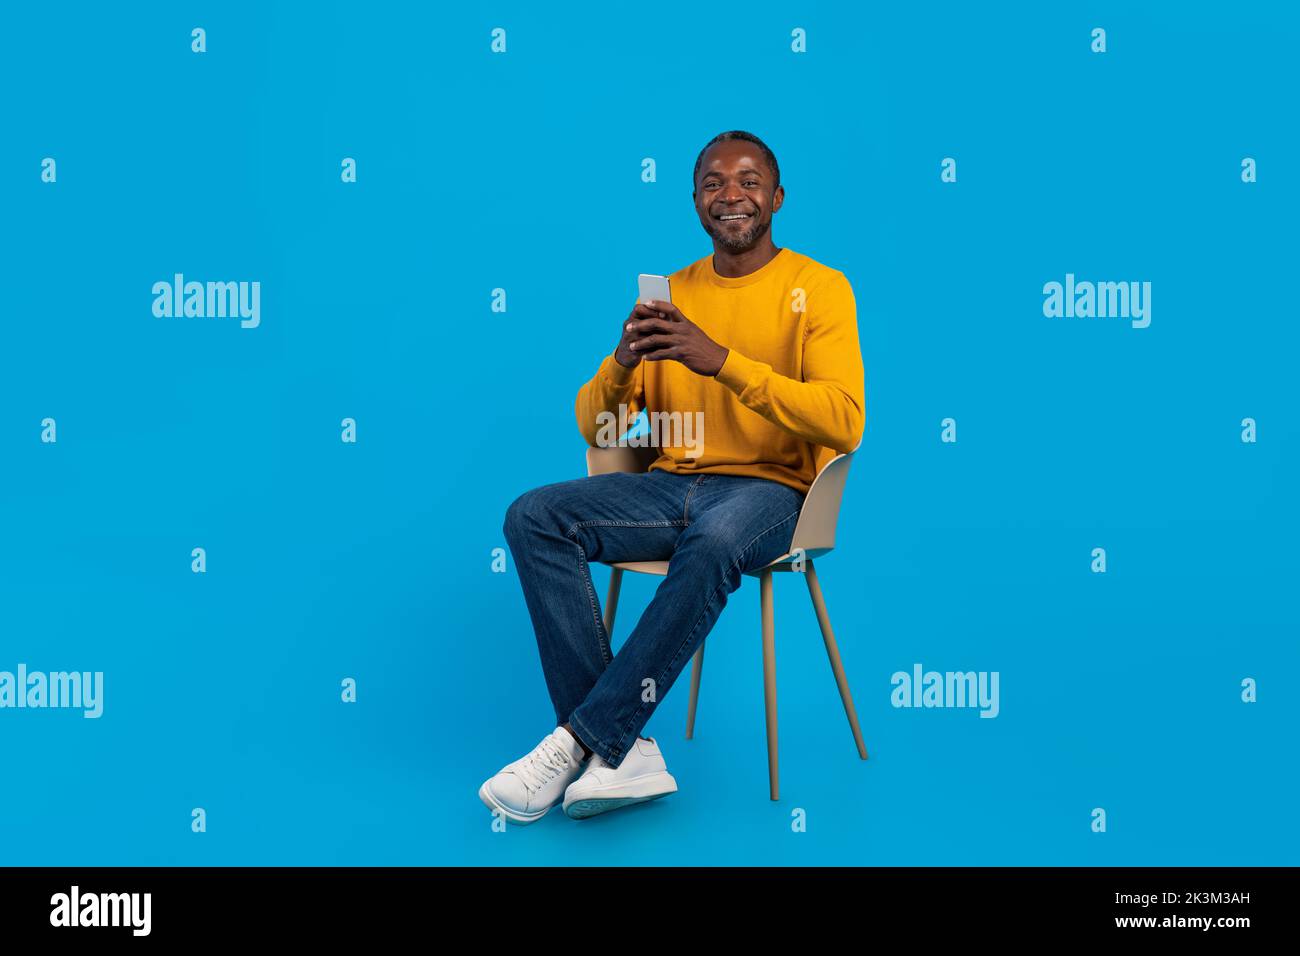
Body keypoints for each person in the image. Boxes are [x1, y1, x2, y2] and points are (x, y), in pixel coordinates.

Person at [479, 130, 865, 824]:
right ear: (696, 203)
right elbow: (593, 425)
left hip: (773, 492)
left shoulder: (820, 288)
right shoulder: (674, 293)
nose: (732, 194)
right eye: (714, 183)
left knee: (715, 540)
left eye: (749, 181)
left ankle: (581, 741)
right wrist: (624, 359)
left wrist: (721, 360)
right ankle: (623, 754)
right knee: (533, 515)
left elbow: (843, 419)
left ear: (777, 197)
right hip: (670, 483)